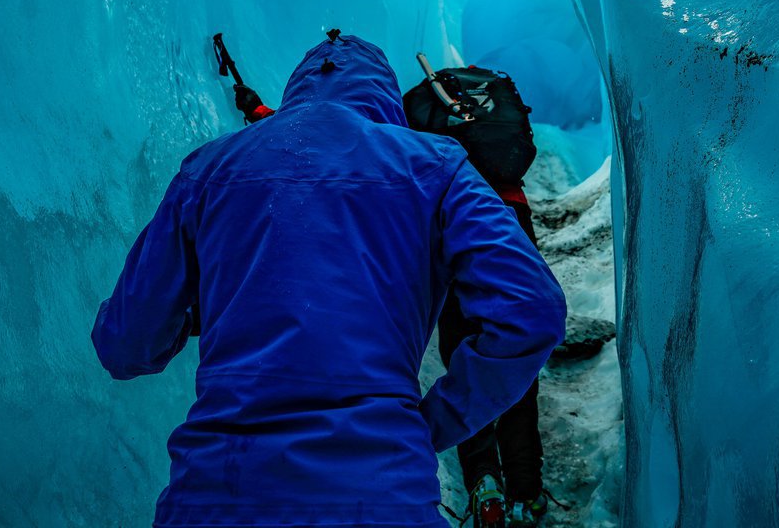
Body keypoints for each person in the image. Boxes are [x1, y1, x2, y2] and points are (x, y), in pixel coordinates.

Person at [92, 32, 566, 528]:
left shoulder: (207, 171)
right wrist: (429, 424)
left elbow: (123, 345)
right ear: (386, 97)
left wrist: (202, 304)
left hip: (216, 495)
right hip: (382, 496)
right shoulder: (439, 166)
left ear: (299, 86)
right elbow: (531, 311)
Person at [404, 66, 551, 527]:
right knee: (516, 352)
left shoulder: (429, 117)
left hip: (453, 223)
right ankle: (527, 492)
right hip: (511, 218)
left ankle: (484, 480)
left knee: (465, 354)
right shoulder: (496, 119)